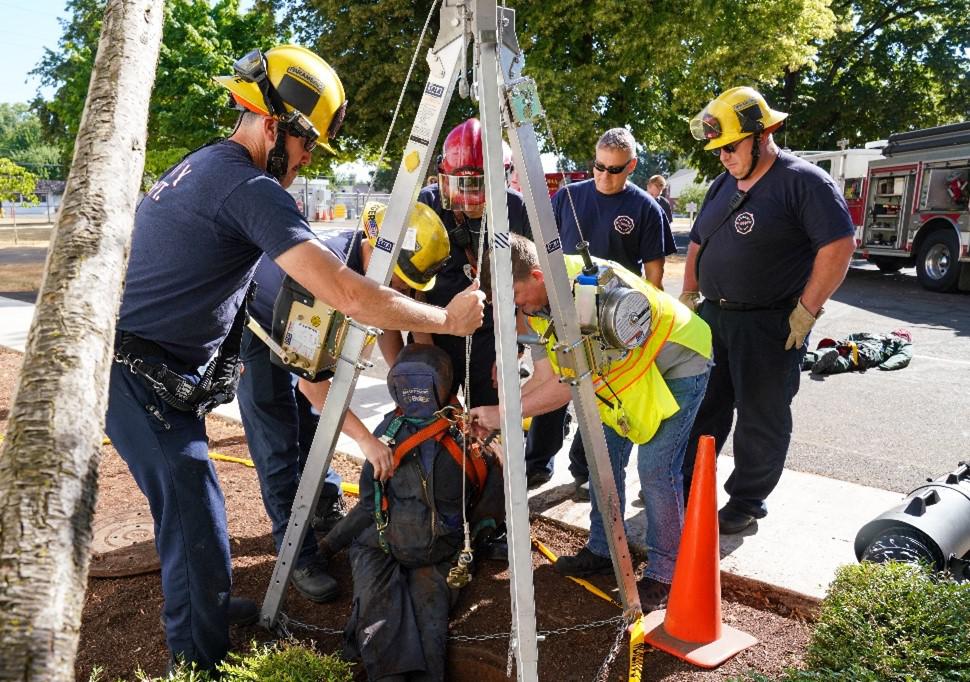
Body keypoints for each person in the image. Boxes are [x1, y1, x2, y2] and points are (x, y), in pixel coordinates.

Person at [105, 45, 484, 672]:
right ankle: (197, 662)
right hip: (139, 379)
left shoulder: (211, 167)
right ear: (275, 124)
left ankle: (207, 599)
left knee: (198, 514)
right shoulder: (251, 189)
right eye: (307, 144)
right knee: (198, 516)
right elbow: (351, 299)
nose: (307, 159)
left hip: (159, 373)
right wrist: (445, 320)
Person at [471, 234, 712, 610]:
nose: (515, 307)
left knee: (655, 470)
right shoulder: (538, 303)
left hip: (679, 361)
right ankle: (604, 550)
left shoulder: (591, 292)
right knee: (603, 463)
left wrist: (503, 415)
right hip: (625, 378)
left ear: (536, 275)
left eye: (515, 297)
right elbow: (545, 376)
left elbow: (568, 386)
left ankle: (666, 574)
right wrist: (502, 411)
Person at [238, 200, 451, 603]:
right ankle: (297, 555)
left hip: (301, 329)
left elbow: (392, 321)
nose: (404, 291)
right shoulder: (323, 284)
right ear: (381, 251)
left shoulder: (371, 263)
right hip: (260, 331)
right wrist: (368, 443)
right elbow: (315, 389)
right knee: (280, 443)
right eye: (404, 281)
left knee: (314, 427)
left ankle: (322, 504)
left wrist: (414, 390)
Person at [679, 86, 856, 534]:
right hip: (714, 318)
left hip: (770, 323)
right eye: (718, 148)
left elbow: (838, 246)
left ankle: (745, 503)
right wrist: (689, 292)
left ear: (763, 135)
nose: (723, 156)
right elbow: (699, 240)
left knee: (762, 416)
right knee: (703, 409)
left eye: (731, 146)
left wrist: (807, 311)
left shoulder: (804, 181)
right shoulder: (723, 184)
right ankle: (687, 487)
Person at [339, 344, 504, 681]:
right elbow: (369, 503)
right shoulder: (465, 439)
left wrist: (325, 547)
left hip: (427, 548)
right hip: (402, 546)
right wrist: (481, 534)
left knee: (418, 611)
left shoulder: (393, 435)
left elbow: (367, 504)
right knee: (389, 607)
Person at [528, 128, 677, 493]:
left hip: (613, 318)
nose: (604, 176)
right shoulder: (567, 196)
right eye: (599, 167)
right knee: (556, 381)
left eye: (615, 169)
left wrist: (642, 326)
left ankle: (583, 464)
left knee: (600, 396)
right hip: (561, 309)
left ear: (632, 167)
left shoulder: (646, 208)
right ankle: (538, 462)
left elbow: (654, 277)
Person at [417, 118, 531, 409]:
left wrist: (512, 351)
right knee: (429, 423)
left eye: (479, 190)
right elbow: (412, 290)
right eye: (460, 189)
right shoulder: (427, 207)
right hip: (435, 329)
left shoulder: (518, 210)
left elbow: (531, 290)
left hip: (493, 340)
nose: (469, 203)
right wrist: (430, 364)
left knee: (490, 424)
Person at [802, 328, 912, 374]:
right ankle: (827, 365)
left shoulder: (875, 334)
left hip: (857, 348)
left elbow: (853, 336)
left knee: (835, 354)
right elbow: (904, 356)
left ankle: (803, 361)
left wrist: (839, 343)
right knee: (849, 360)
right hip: (866, 352)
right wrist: (885, 366)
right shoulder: (902, 342)